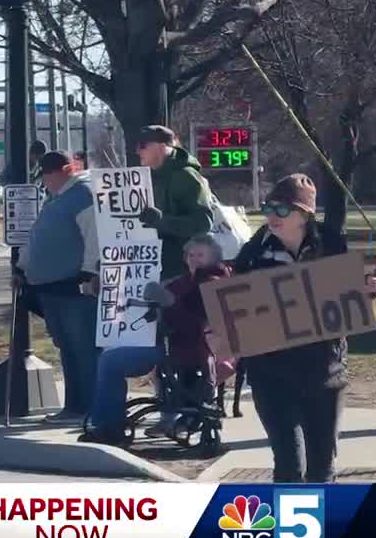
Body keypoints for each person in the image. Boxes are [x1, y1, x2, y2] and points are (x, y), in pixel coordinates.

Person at [224, 174, 376, 538]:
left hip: (325, 372)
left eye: (281, 210)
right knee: (288, 464)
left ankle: (313, 535)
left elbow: (349, 296)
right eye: (269, 208)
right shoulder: (255, 250)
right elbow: (233, 299)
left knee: (321, 465)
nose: (271, 217)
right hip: (271, 374)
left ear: (303, 214)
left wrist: (367, 290)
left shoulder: (331, 243)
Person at [81, 235, 229, 446]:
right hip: (164, 343)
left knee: (111, 362)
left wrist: (168, 304)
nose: (194, 259)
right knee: (108, 358)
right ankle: (105, 423)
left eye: (200, 255)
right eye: (190, 254)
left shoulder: (213, 284)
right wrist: (112, 281)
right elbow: (150, 299)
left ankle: (107, 425)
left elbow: (196, 326)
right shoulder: (184, 281)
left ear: (213, 258)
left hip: (188, 349)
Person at [20, 151, 100, 422]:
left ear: (65, 170)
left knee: (83, 349)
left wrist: (90, 272)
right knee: (68, 348)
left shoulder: (83, 196)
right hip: (52, 289)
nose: (44, 180)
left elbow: (95, 237)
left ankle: (87, 407)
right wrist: (22, 267)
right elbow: (36, 239)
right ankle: (73, 407)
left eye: (47, 174)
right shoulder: (56, 200)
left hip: (75, 288)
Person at [134, 126, 214, 280]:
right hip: (153, 269)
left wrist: (162, 221)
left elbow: (203, 223)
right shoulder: (148, 177)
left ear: (161, 147)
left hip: (179, 273)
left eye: (142, 146)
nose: (138, 151)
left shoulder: (186, 176)